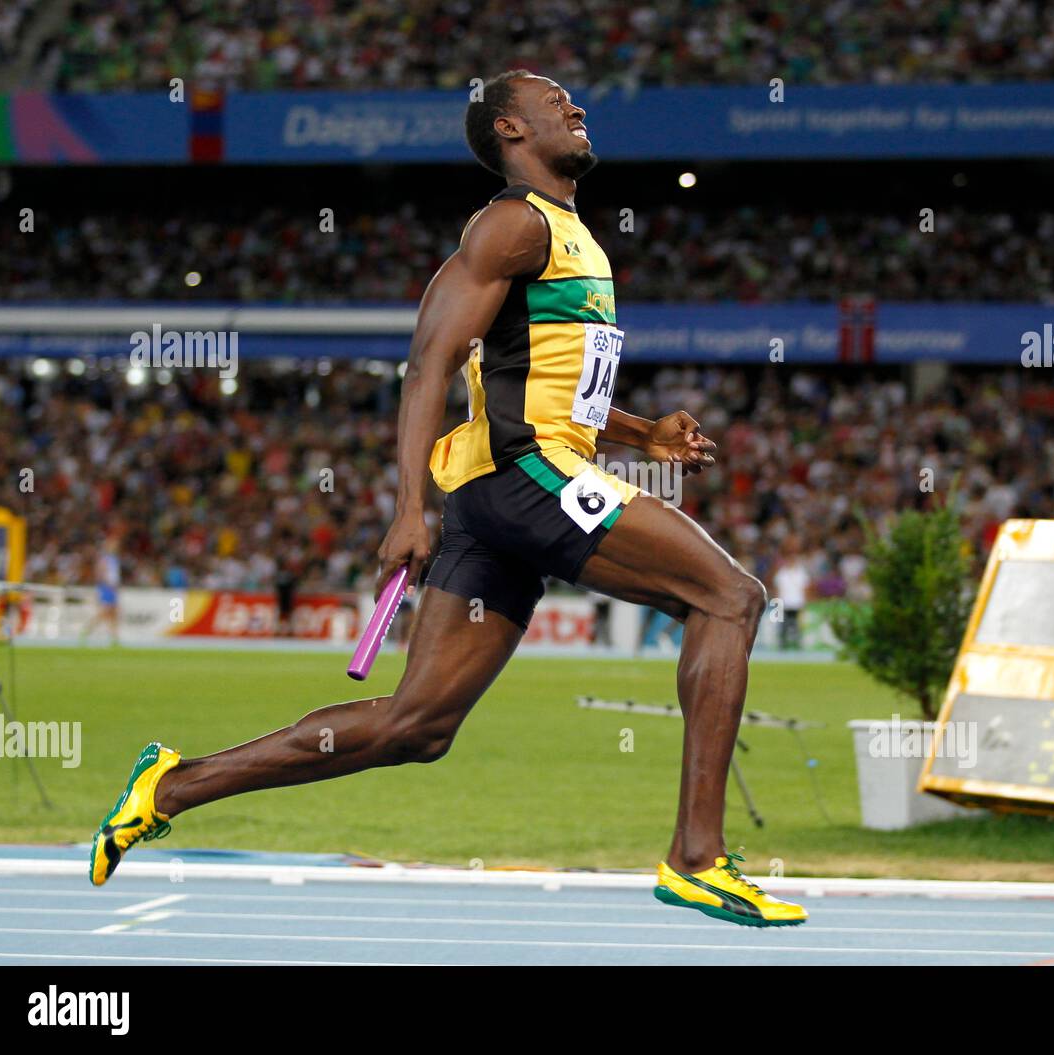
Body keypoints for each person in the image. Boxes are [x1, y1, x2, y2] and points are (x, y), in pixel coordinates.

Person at [89, 71, 805, 928]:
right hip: (520, 475)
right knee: (730, 596)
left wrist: (644, 433)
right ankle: (697, 858)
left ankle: (169, 784)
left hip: (506, 489)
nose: (575, 107)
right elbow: (430, 359)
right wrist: (406, 507)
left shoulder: (570, 235)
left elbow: (539, 382)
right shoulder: (511, 223)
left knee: (415, 725)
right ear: (510, 129)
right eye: (554, 101)